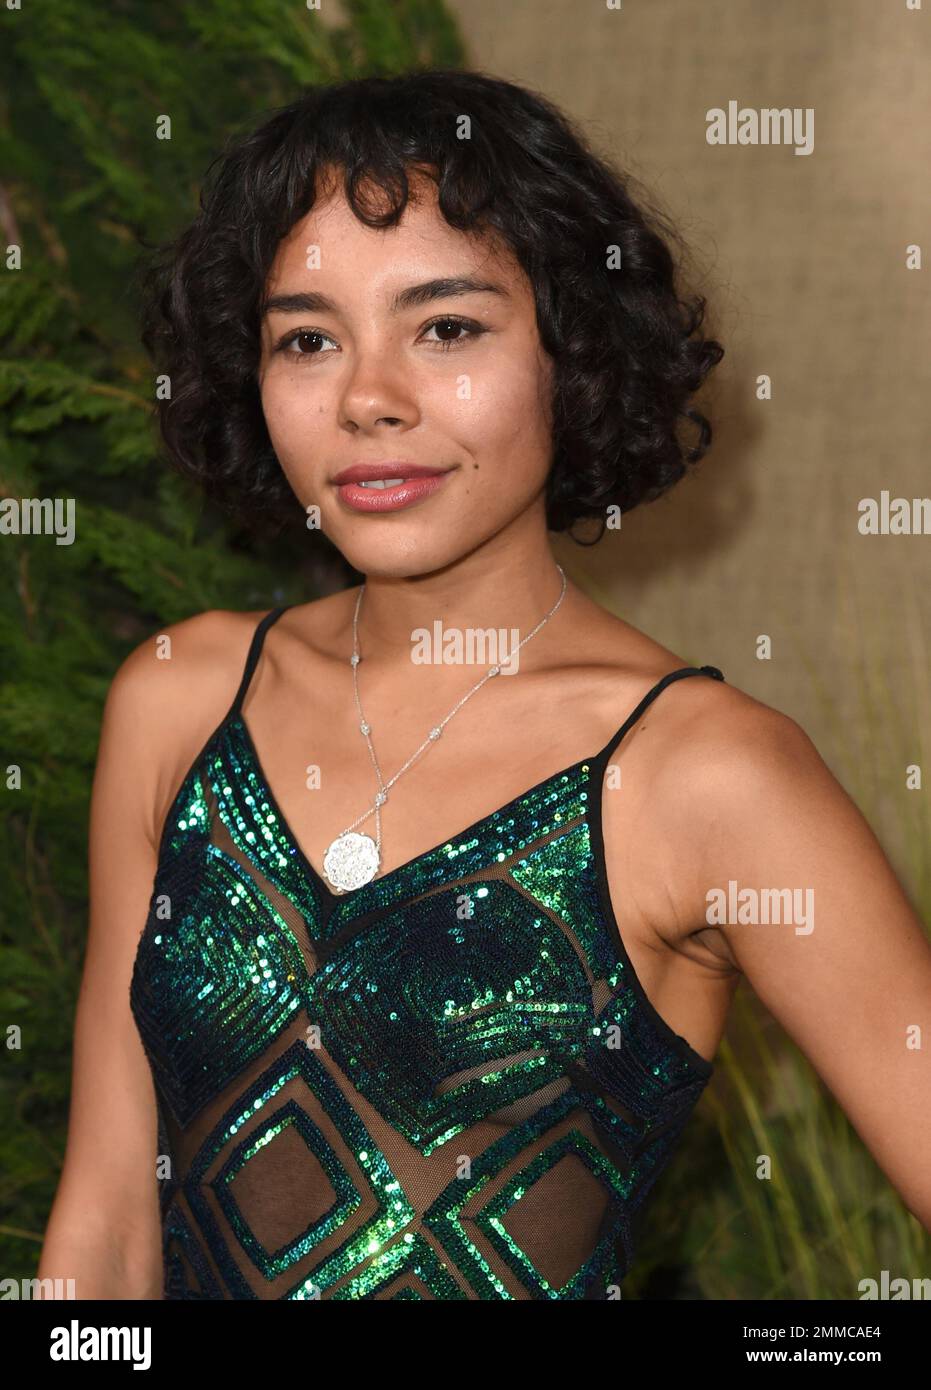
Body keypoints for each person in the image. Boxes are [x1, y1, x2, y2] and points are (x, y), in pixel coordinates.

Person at [38, 69, 931, 1300]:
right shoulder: (178, 697)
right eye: (307, 338)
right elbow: (102, 1238)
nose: (367, 399)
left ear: (572, 349)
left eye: (446, 327)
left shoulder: (706, 774)